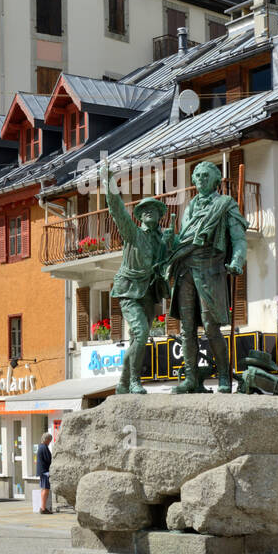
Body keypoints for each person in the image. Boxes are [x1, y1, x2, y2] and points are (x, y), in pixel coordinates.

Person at [165, 160, 248, 393]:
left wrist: (236, 261)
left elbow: (239, 239)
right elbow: (184, 240)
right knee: (187, 329)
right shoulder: (190, 207)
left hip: (210, 270)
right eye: (197, 176)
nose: (200, 179)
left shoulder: (225, 204)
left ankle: (223, 376)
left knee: (211, 327)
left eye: (205, 175)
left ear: (215, 180)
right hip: (186, 270)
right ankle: (191, 378)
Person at [103, 163, 170, 394]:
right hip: (129, 290)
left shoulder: (163, 239)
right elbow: (117, 209)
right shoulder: (132, 233)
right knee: (141, 333)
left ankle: (122, 382)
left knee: (137, 340)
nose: (149, 212)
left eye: (154, 209)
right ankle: (133, 381)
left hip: (149, 293)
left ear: (161, 215)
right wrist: (109, 182)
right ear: (139, 216)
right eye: (145, 210)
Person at [37, 433, 54, 514]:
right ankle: (43, 508)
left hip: (42, 471)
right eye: (50, 440)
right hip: (45, 472)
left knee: (44, 489)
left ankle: (43, 507)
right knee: (45, 489)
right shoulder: (44, 447)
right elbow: (48, 459)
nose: (50, 442)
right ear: (46, 440)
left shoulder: (41, 447)